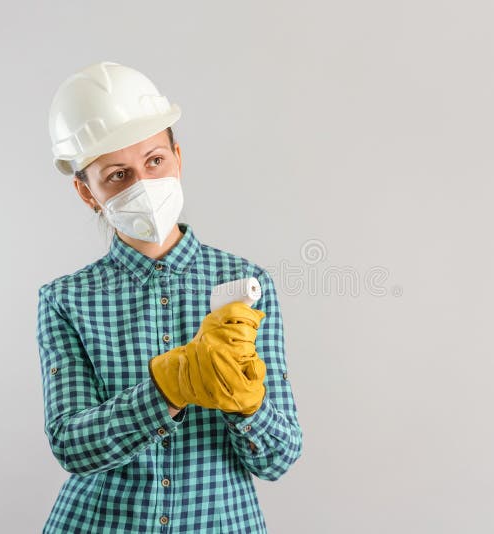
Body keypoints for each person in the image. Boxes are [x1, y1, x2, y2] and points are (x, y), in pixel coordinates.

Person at [37, 61, 303, 533]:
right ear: (86, 192)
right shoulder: (66, 300)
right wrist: (167, 391)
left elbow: (279, 458)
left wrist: (247, 405)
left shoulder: (247, 283)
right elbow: (71, 446)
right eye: (117, 174)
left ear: (178, 158)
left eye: (154, 161)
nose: (143, 183)